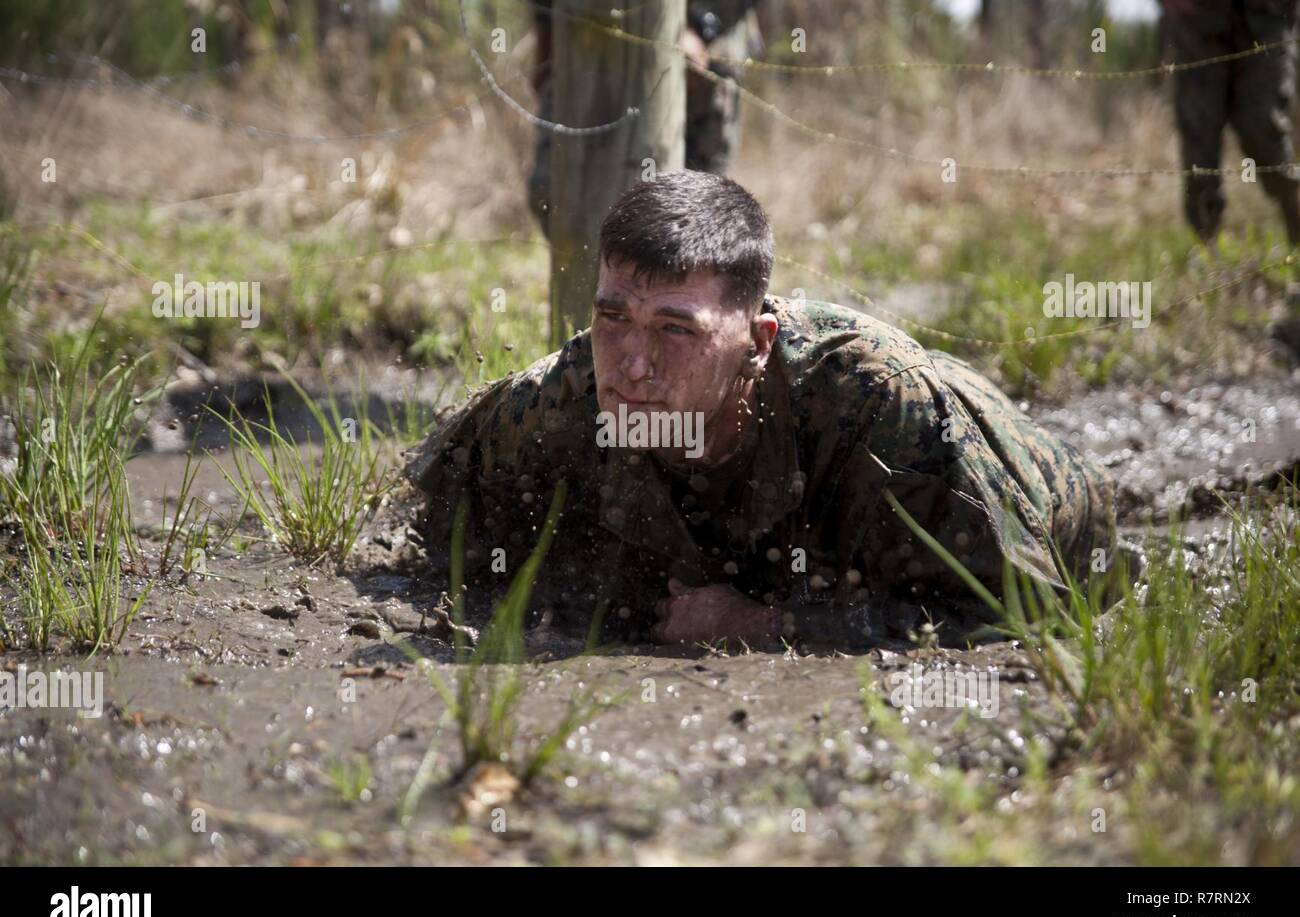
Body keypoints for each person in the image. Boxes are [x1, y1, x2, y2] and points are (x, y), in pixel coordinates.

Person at [407, 172, 1117, 647]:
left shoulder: (881, 410)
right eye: (613, 317)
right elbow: (432, 528)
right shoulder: (561, 397)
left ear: (757, 341)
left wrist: (769, 624)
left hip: (1049, 529)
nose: (631, 364)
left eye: (676, 330)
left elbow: (1027, 616)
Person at [527, 1, 762, 233]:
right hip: (587, 42)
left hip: (705, 47)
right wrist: (546, 33)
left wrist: (702, 22)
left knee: (693, 208)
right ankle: (596, 268)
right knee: (552, 193)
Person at [1162, 0, 1300, 244]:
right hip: (1199, 19)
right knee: (1199, 137)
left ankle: (1295, 217)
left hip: (1268, 15)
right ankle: (1205, 251)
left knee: (1263, 126)